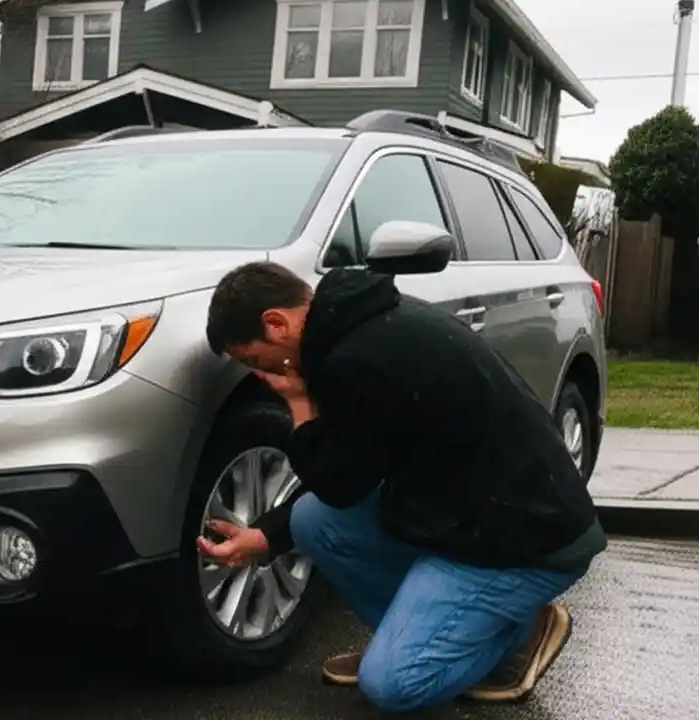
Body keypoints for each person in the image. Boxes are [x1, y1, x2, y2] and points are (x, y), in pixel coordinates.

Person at [196, 262, 606, 713]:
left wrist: (297, 403)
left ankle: (511, 638)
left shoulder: (354, 360)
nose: (260, 374)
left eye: (254, 360)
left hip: (526, 543)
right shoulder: (365, 322)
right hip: (476, 513)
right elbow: (349, 475)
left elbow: (339, 482)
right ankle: (422, 639)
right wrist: (266, 536)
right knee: (313, 520)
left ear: (276, 323)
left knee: (391, 685)